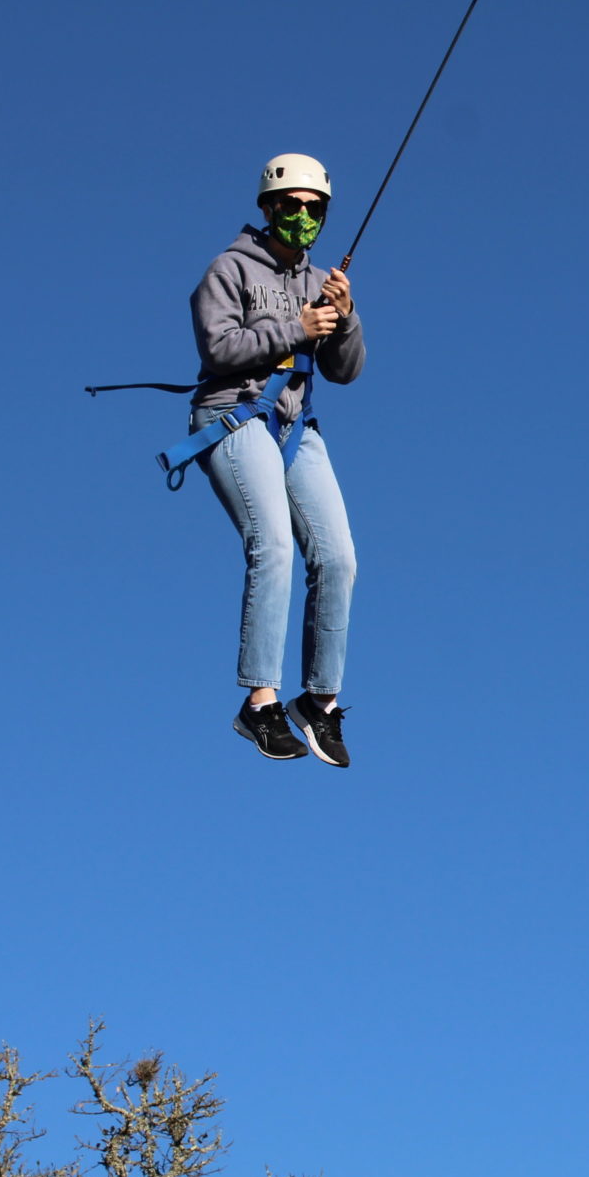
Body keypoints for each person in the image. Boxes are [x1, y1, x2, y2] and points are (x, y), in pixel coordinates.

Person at [188, 153, 365, 764]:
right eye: (291, 205)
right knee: (274, 544)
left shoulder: (321, 282)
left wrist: (342, 320)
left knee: (339, 557)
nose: (303, 216)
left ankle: (318, 704)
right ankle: (260, 704)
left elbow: (346, 370)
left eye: (314, 208)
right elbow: (219, 346)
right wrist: (296, 326)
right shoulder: (229, 269)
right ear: (268, 207)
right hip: (233, 415)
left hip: (295, 427)